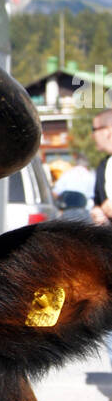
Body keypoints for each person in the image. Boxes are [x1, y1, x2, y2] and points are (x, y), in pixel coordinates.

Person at [89, 110, 112, 371]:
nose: (93, 137)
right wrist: (98, 209)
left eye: (94, 130)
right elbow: (100, 201)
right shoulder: (104, 166)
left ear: (108, 131)